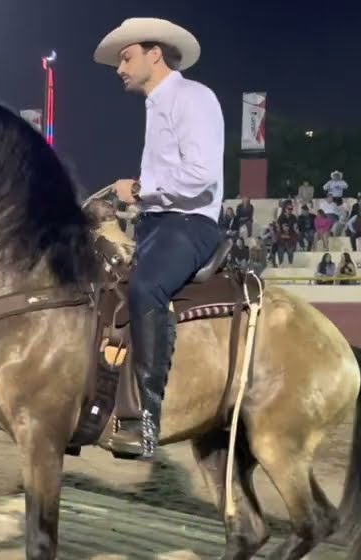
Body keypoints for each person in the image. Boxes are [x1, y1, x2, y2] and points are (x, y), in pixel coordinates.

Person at [95, 17, 224, 459]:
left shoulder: (193, 98)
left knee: (147, 287)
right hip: (157, 224)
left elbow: (202, 175)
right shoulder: (156, 106)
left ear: (155, 54)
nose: (119, 67)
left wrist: (142, 189)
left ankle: (144, 416)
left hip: (191, 225)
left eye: (126, 57)